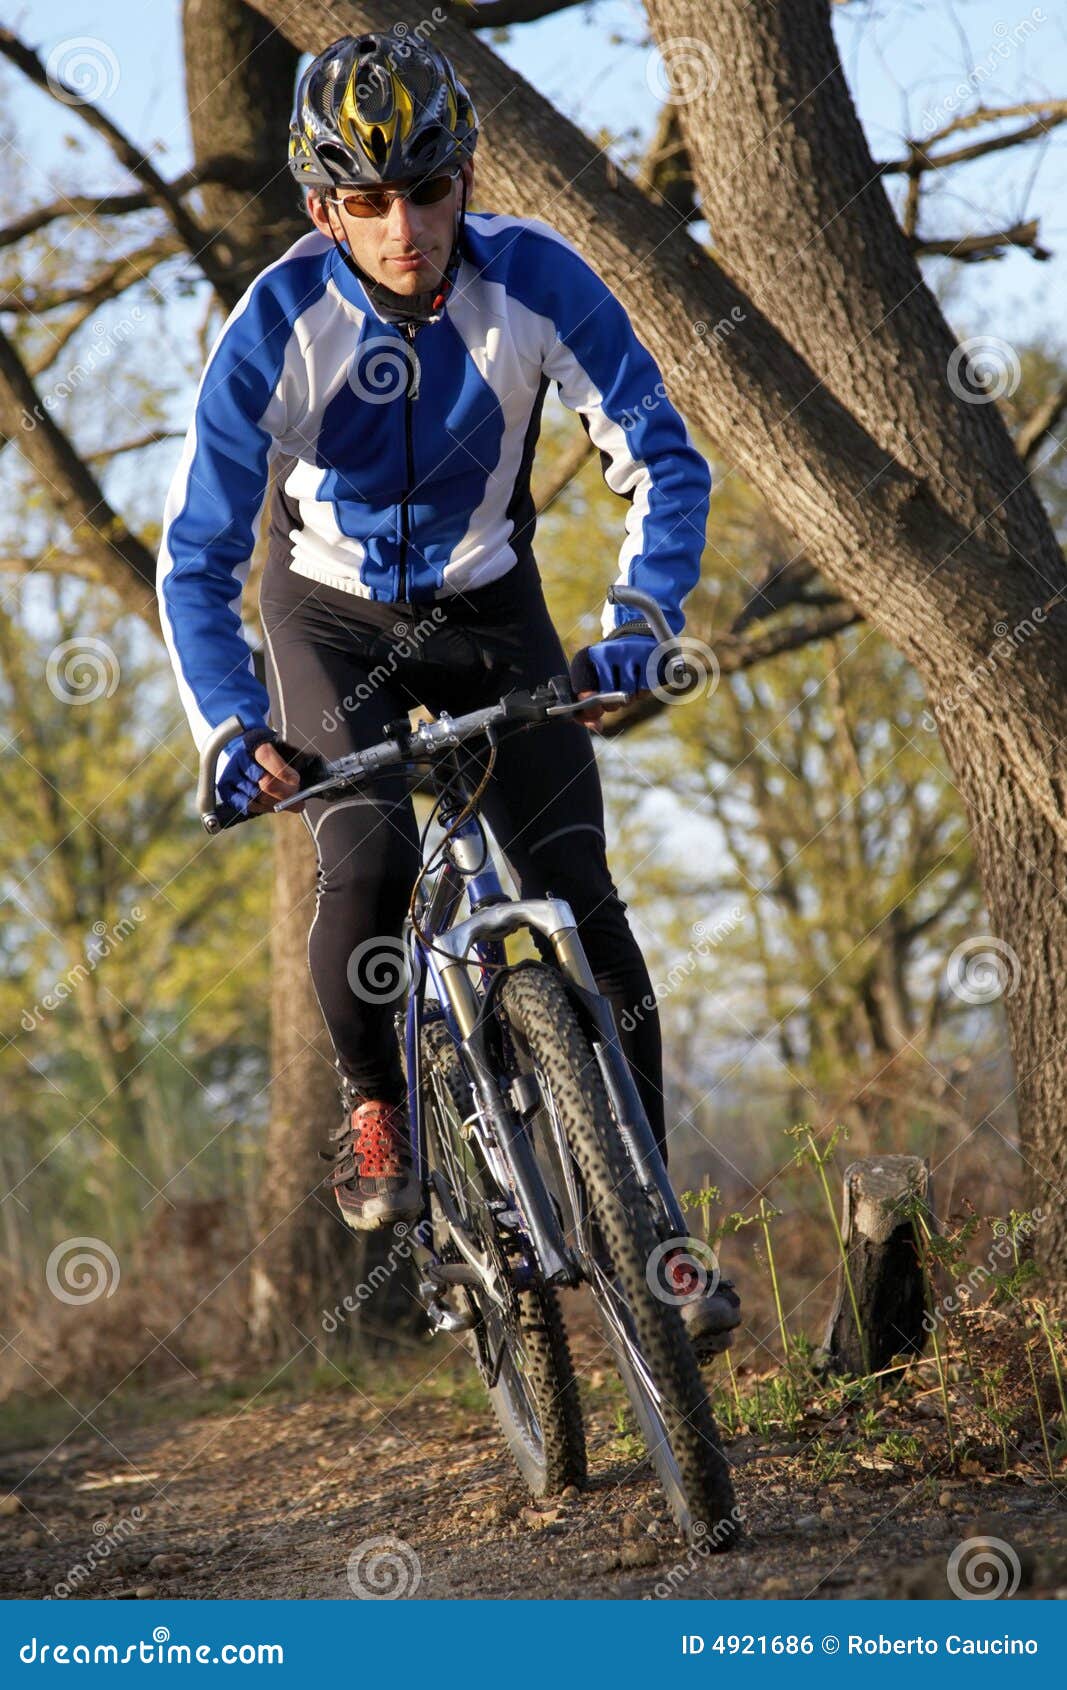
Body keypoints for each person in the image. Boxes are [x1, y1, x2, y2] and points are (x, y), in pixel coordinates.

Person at [157, 30, 739, 1347]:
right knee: (363, 865)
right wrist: (232, 729)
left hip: (491, 606)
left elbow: (661, 454)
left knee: (584, 899)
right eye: (368, 202)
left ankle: (657, 1233)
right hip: (330, 620)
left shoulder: (537, 280)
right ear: (323, 208)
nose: (404, 226)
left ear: (465, 175)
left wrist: (641, 617)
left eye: (427, 189)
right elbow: (194, 557)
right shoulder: (275, 327)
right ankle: (377, 1100)